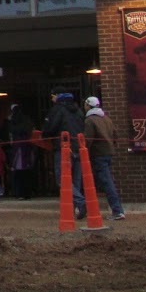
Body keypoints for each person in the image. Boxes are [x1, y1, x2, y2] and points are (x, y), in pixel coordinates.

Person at [42, 89, 86, 219]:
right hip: (78, 147)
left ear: (58, 96)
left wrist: (45, 133)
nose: (52, 99)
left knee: (63, 179)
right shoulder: (78, 110)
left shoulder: (57, 110)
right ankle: (77, 209)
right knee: (76, 181)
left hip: (64, 148)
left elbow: (50, 128)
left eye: (53, 96)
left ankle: (80, 202)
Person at [82, 96, 126, 220]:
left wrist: (82, 152)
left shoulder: (90, 120)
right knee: (103, 181)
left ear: (88, 106)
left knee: (106, 182)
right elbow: (115, 135)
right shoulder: (106, 118)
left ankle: (117, 211)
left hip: (98, 154)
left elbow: (88, 140)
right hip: (108, 153)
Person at [6, 104, 37, 200]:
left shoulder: (13, 122)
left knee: (18, 172)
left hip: (18, 149)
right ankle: (28, 192)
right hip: (27, 148)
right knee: (27, 171)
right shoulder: (27, 121)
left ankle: (19, 192)